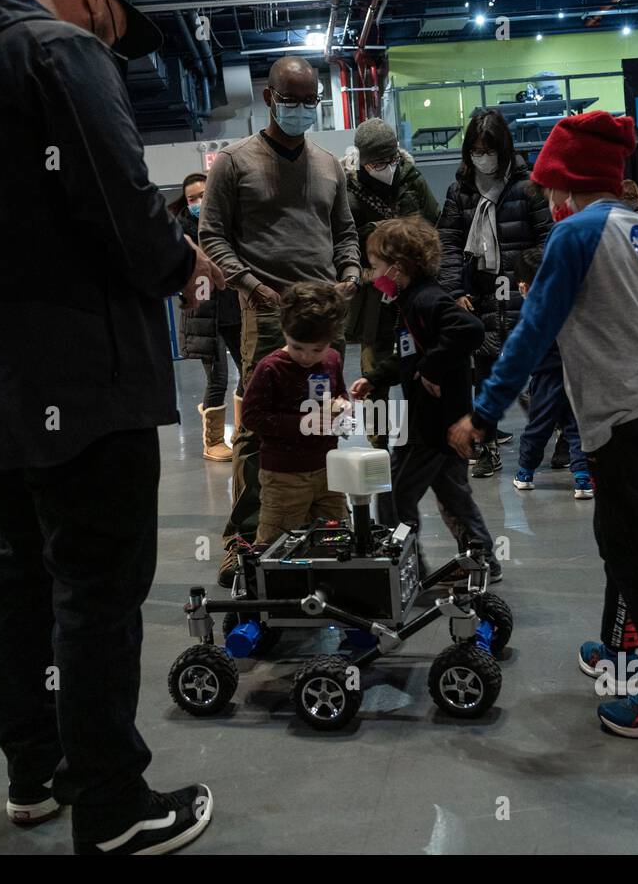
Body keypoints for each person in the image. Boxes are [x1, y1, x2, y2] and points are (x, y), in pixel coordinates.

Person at [0, 0, 224, 855]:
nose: (109, 40)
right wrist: (182, 259)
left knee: (19, 582)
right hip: (78, 385)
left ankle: (33, 772)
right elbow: (122, 212)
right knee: (98, 592)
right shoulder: (60, 53)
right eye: (113, 25)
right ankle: (113, 806)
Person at [448, 112, 638, 738]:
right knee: (620, 538)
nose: (546, 199)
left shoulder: (575, 234)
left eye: (548, 187)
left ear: (566, 183)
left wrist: (484, 412)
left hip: (619, 414)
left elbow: (532, 330)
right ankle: (619, 653)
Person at [198, 55, 362, 586]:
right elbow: (211, 235)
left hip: (325, 315)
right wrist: (251, 286)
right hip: (268, 314)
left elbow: (345, 232)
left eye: (311, 101)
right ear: (270, 99)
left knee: (324, 419)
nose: (302, 110)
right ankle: (243, 541)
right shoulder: (233, 162)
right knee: (257, 429)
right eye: (292, 101)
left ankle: (317, 529)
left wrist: (351, 271)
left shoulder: (328, 164)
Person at [351, 217, 501, 580]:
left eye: (376, 267)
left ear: (398, 267)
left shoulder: (427, 299)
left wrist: (432, 368)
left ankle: (408, 567)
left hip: (430, 426)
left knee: (393, 495)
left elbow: (470, 328)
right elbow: (409, 356)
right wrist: (375, 378)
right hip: (442, 423)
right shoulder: (408, 302)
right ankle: (482, 560)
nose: (374, 276)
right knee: (454, 495)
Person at [437, 108, 553, 479]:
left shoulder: (528, 187)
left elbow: (547, 237)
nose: (482, 157)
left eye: (489, 150)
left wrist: (534, 280)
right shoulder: (460, 191)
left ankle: (563, 441)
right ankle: (486, 448)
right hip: (479, 296)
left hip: (525, 292)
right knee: (485, 377)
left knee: (543, 374)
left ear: (503, 149)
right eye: (476, 150)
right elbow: (447, 243)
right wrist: (455, 290)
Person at [342, 118, 440, 448]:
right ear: (363, 160)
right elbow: (344, 240)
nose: (386, 166)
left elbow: (434, 222)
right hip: (375, 289)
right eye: (378, 162)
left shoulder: (411, 177)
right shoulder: (349, 189)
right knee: (375, 365)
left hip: (413, 286)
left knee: (422, 358)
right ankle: (379, 440)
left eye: (391, 158)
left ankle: (424, 434)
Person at [242, 282, 351, 548]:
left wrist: (343, 406)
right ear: (284, 332)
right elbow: (252, 416)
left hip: (329, 470)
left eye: (317, 349)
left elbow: (340, 392)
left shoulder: (332, 359)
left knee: (337, 539)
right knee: (275, 544)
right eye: (297, 347)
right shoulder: (270, 368)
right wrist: (302, 423)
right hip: (284, 476)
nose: (306, 356)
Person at [509, 248, 592, 499]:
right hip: (577, 376)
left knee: (538, 427)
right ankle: (582, 479)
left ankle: (525, 473)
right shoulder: (571, 301)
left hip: (546, 380)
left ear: (523, 286)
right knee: (576, 428)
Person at [172, 172, 243, 461]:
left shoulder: (227, 222)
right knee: (218, 378)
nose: (198, 202)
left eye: (203, 195)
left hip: (232, 310)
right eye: (192, 198)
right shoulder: (181, 232)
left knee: (249, 370)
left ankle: (243, 431)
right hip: (203, 316)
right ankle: (212, 441)